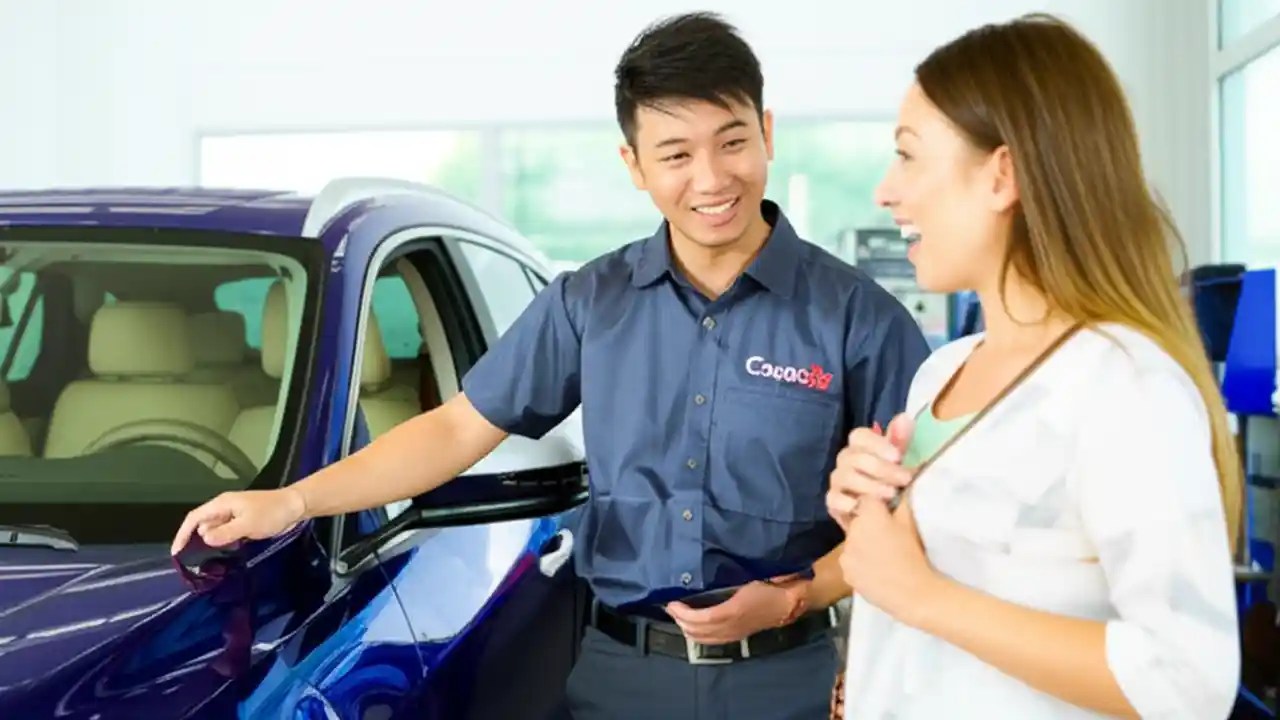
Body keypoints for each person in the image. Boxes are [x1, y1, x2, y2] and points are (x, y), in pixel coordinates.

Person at [171, 12, 930, 720]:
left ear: (767, 134)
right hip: (618, 675)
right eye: (675, 154)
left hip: (790, 678)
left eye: (732, 142)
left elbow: (916, 515)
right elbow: (457, 430)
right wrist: (295, 501)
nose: (710, 179)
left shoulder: (860, 319)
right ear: (634, 164)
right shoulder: (589, 303)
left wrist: (797, 597)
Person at [824, 14, 1243, 720]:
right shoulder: (944, 373)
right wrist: (869, 506)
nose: (886, 192)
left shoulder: (1124, 386)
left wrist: (921, 597)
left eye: (909, 156)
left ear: (1003, 175)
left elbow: (1187, 680)